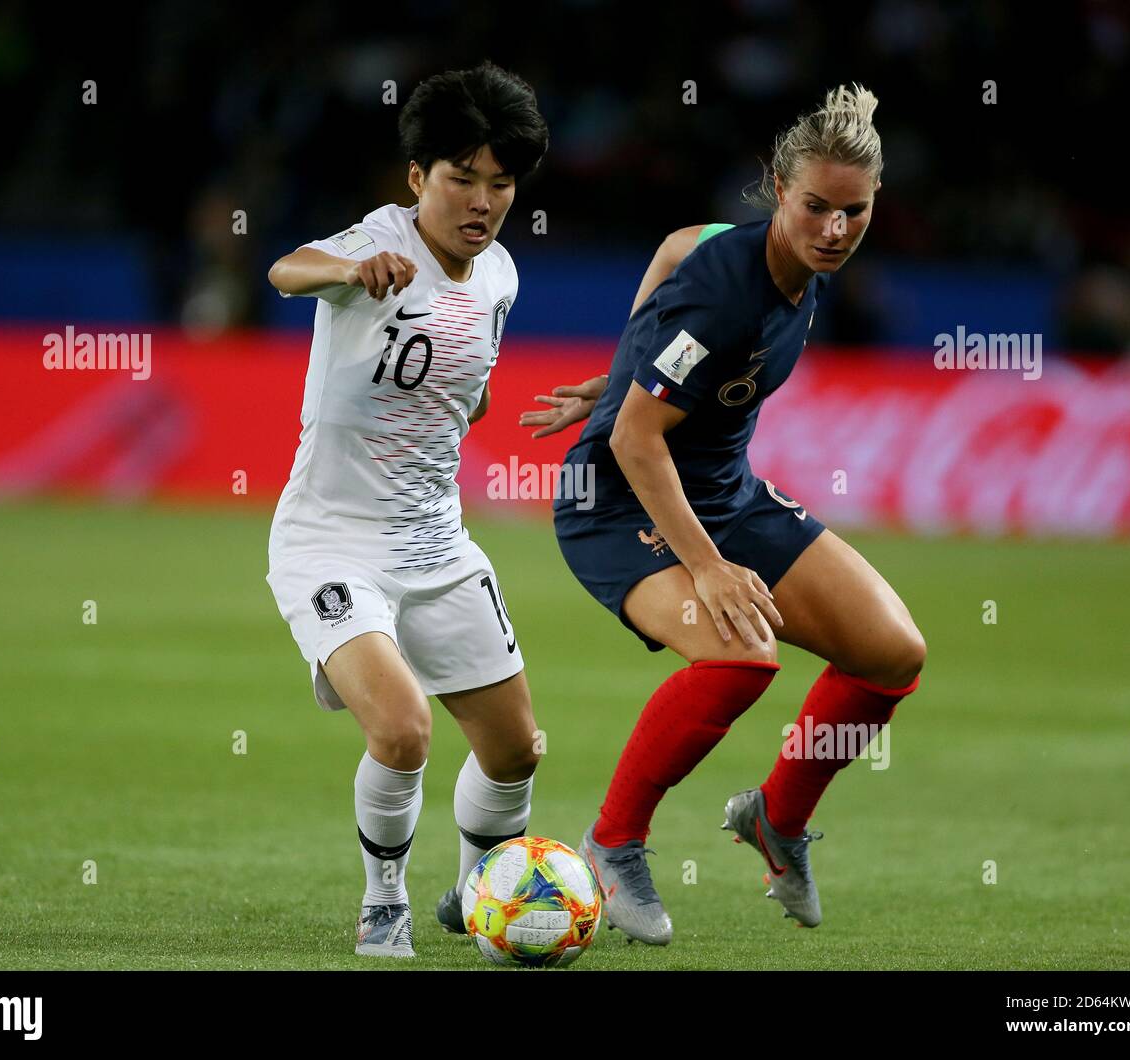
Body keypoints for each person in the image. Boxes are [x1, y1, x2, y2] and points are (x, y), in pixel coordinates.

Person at [531, 84, 925, 944]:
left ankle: (777, 820)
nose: (834, 229)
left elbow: (675, 243)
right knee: (741, 654)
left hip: (722, 489)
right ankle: (612, 843)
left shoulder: (772, 257)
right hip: (616, 500)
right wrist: (706, 566)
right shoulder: (728, 292)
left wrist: (629, 369)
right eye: (815, 207)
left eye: (853, 212)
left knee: (891, 654)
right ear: (778, 189)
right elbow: (636, 439)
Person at [266, 61, 549, 958]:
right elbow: (285, 270)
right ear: (419, 177)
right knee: (401, 728)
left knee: (517, 751)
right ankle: (383, 898)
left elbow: (469, 387)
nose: (482, 200)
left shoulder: (499, 276)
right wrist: (351, 268)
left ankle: (476, 893)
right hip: (330, 541)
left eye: (500, 182)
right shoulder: (382, 241)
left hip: (435, 543)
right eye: (462, 177)